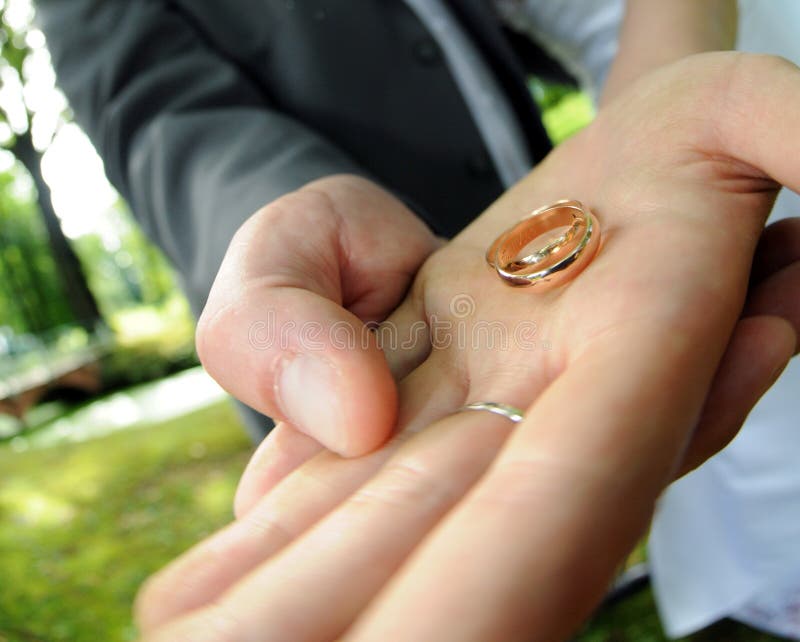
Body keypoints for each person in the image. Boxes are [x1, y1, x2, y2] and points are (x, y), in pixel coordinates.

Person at [33, 1, 799, 640]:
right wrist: (283, 215)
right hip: (419, 303)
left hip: (620, 199)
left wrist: (658, 115)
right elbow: (161, 111)